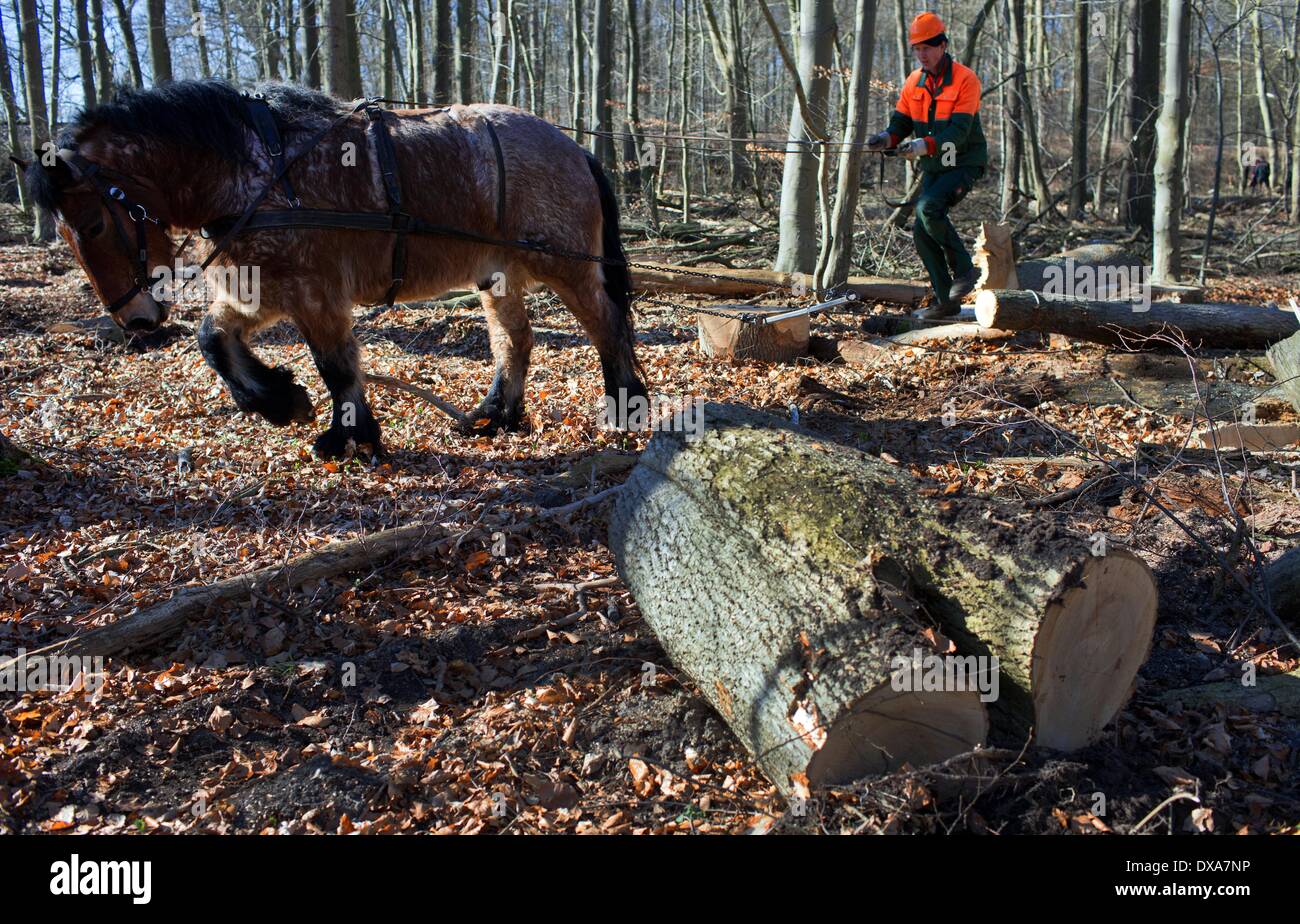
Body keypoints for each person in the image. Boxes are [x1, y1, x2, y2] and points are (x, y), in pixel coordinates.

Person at [867, 12, 987, 319]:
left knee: (928, 208)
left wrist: (922, 146)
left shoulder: (965, 80)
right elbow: (902, 121)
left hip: (962, 162)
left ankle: (964, 269)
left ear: (943, 46)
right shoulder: (913, 82)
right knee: (922, 230)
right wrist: (887, 138)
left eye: (928, 48)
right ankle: (946, 300)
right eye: (917, 48)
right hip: (936, 165)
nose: (922, 54)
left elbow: (957, 134)